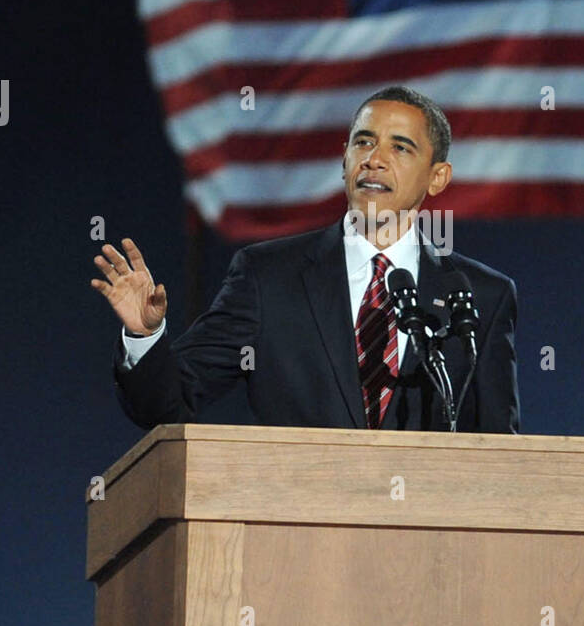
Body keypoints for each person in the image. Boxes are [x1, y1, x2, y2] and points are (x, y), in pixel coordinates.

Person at [91, 85, 520, 433]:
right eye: (363, 142)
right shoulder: (268, 278)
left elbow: (500, 449)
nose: (374, 160)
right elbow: (167, 404)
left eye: (401, 148)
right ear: (345, 159)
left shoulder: (481, 296)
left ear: (438, 177)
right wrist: (145, 337)